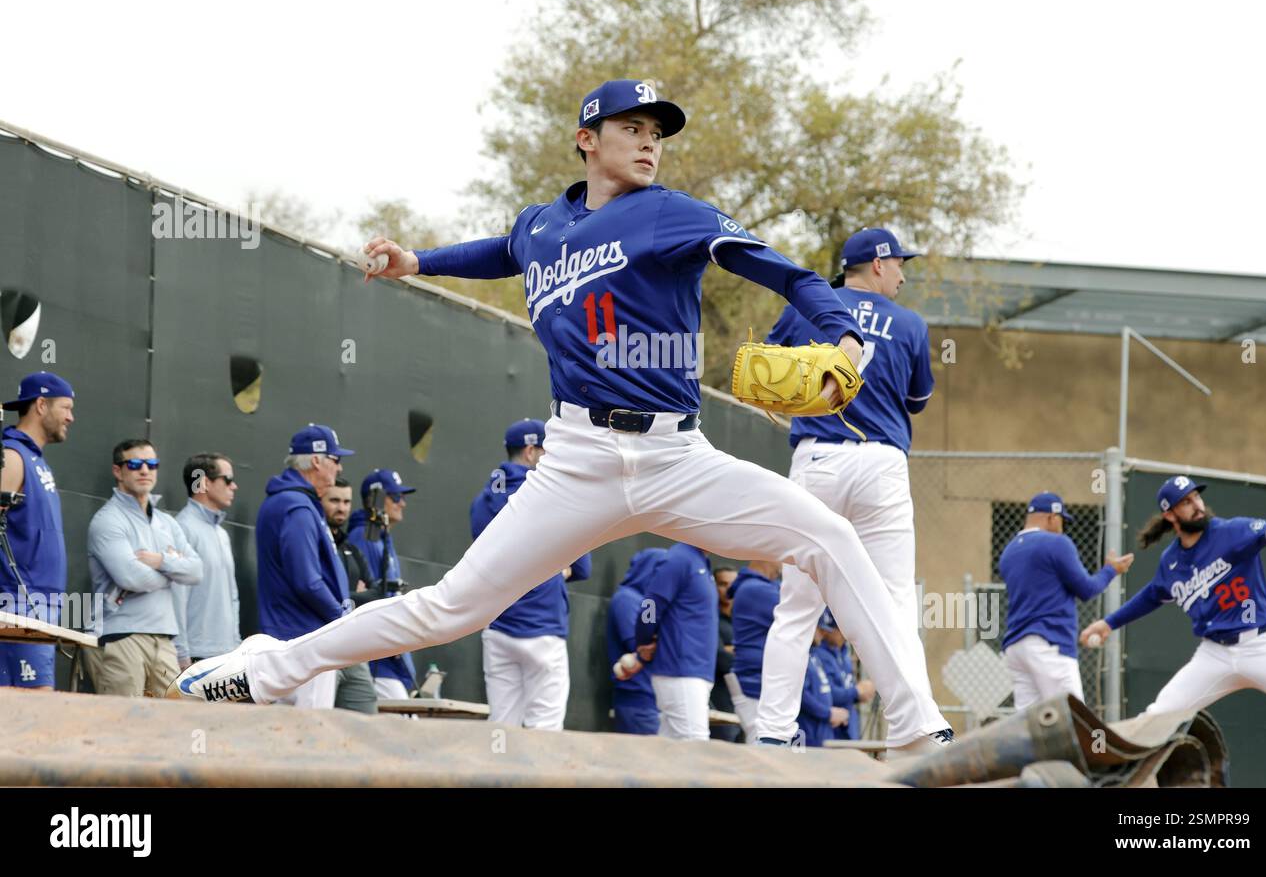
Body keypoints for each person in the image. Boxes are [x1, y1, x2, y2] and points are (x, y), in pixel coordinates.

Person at [168, 78, 954, 758]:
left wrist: (844, 333)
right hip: (575, 459)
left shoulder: (671, 214)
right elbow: (502, 250)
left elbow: (780, 271)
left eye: (656, 134)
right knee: (451, 608)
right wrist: (418, 262)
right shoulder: (542, 225)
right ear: (588, 140)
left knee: (830, 538)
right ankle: (264, 668)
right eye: (632, 129)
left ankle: (919, 728)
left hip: (679, 458)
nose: (649, 144)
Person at [755, 228, 949, 757]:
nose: (904, 274)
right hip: (883, 465)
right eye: (900, 264)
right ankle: (913, 733)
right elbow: (918, 400)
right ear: (878, 265)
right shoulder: (909, 323)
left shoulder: (810, 303)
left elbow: (764, 369)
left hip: (818, 458)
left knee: (797, 605)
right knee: (894, 602)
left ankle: (772, 733)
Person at [1081, 476, 1266, 719]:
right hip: (1216, 653)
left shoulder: (1232, 532)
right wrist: (1108, 623)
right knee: (1158, 717)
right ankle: (1121, 758)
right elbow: (1153, 595)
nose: (1197, 505)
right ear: (1170, 515)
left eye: (1196, 496)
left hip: (1262, 644)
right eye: (1186, 502)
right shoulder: (1171, 561)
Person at [471, 420, 591, 729]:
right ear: (530, 451)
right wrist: (553, 570)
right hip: (542, 625)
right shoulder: (553, 491)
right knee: (545, 729)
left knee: (502, 726)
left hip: (497, 624)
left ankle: (499, 779)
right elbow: (583, 565)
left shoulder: (483, 500)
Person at [84, 439, 202, 696]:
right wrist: (173, 574)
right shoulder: (107, 520)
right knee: (122, 727)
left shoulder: (167, 522)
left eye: (151, 464)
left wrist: (161, 562)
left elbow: (196, 571)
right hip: (121, 637)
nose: (145, 470)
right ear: (118, 471)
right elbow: (131, 578)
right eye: (135, 464)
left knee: (172, 726)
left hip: (165, 640)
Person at [999, 492, 1132, 709]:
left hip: (1016, 647)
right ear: (1052, 517)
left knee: (1032, 729)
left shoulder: (1009, 551)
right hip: (1048, 643)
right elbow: (1087, 589)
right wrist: (1111, 570)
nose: (1063, 527)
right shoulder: (1057, 543)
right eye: (1062, 520)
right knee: (1073, 721)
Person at [252, 424, 354, 709]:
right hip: (306, 640)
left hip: (290, 637)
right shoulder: (297, 506)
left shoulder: (292, 501)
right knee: (310, 736)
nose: (339, 468)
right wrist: (342, 618)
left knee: (284, 737)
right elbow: (307, 581)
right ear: (316, 461)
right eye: (336, 460)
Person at [1, 372, 75, 690]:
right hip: (15, 609)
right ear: (41, 405)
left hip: (38, 607)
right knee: (30, 712)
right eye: (66, 407)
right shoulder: (13, 456)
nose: (71, 417)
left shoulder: (35, 460)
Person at [349, 468, 420, 702]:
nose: (403, 504)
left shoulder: (380, 537)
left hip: (388, 655)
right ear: (377, 499)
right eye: (396, 497)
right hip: (377, 659)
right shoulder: (365, 537)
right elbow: (368, 601)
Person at [634, 542, 718, 740]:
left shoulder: (700, 560)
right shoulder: (679, 558)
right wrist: (644, 641)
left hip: (694, 671)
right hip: (681, 670)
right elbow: (650, 605)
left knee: (669, 752)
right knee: (694, 746)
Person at [172, 452, 242, 669]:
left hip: (226, 655)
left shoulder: (221, 534)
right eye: (228, 480)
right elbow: (176, 598)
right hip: (195, 656)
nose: (234, 486)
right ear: (204, 483)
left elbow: (232, 597)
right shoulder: (181, 529)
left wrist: (236, 647)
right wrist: (181, 654)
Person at [321, 478, 378, 714]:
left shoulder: (351, 549)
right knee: (317, 720)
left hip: (353, 647)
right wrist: (355, 595)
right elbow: (314, 589)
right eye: (334, 500)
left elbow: (376, 594)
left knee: (367, 718)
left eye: (346, 501)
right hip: (320, 643)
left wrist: (344, 597)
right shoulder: (315, 542)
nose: (341, 507)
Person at [607, 547, 662, 735]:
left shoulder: (649, 602)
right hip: (638, 699)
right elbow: (639, 644)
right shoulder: (627, 598)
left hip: (654, 699)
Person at [727, 559, 782, 742]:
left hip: (760, 682)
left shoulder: (759, 586)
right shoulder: (756, 588)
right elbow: (809, 631)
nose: (782, 566)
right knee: (765, 746)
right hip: (754, 683)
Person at [811, 610, 874, 741]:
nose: (828, 633)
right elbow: (827, 694)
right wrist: (856, 691)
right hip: (831, 730)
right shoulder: (817, 652)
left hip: (849, 725)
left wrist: (858, 695)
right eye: (835, 629)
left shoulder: (843, 650)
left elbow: (845, 687)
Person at [709, 565, 740, 741]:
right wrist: (744, 654)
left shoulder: (742, 619)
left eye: (732, 584)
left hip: (742, 701)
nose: (728, 589)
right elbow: (721, 659)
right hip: (718, 701)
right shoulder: (709, 616)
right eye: (722, 584)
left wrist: (732, 650)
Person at [796, 636, 842, 749]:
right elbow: (801, 694)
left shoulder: (814, 654)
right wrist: (828, 713)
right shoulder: (798, 654)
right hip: (806, 733)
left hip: (823, 733)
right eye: (819, 629)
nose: (821, 634)